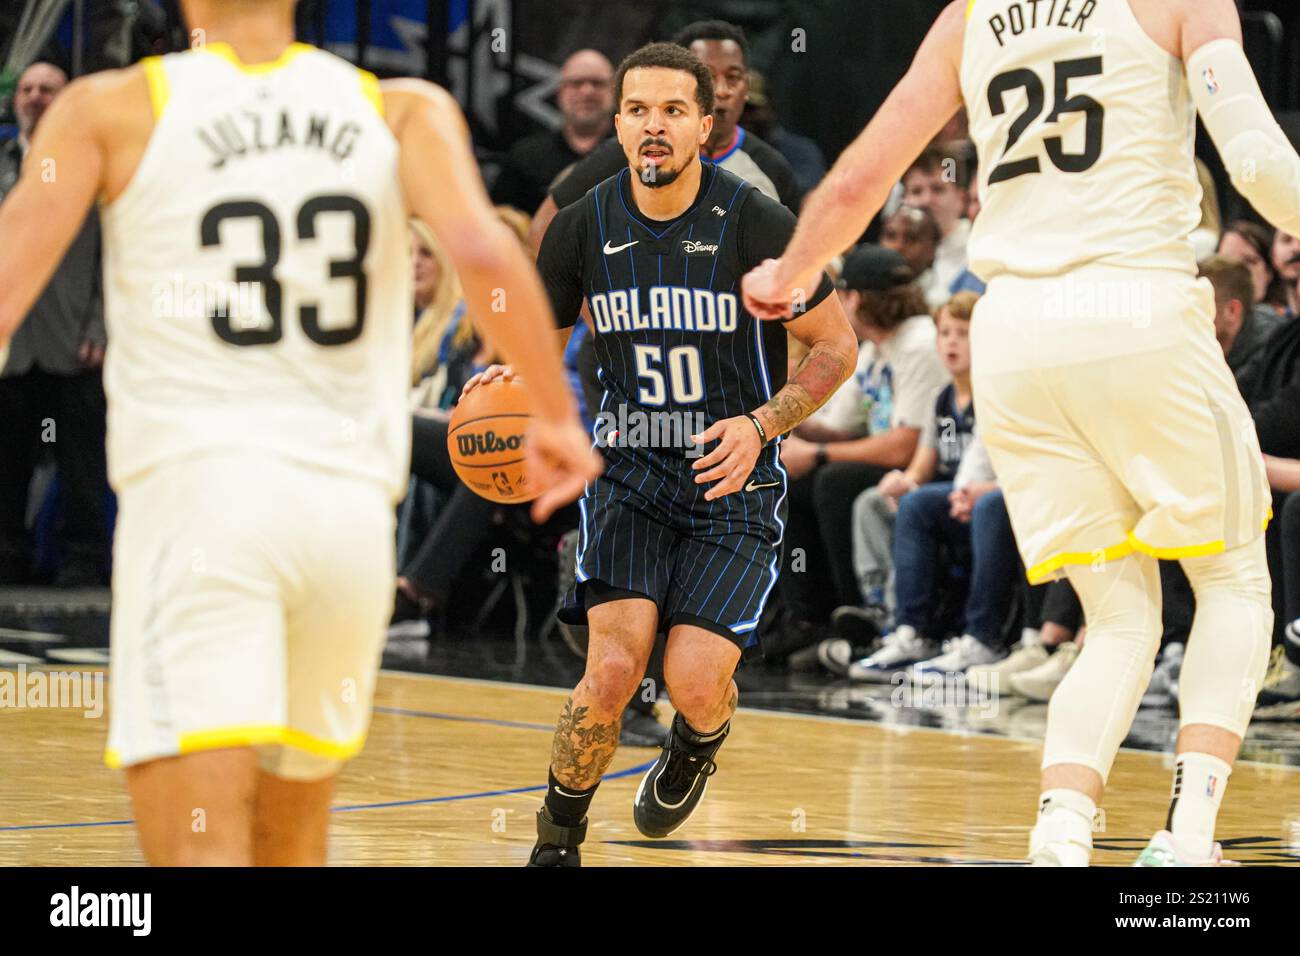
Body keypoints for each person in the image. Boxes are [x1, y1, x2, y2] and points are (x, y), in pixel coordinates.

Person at [0, 0, 599, 866]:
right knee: (292, 844)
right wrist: (555, 414)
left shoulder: (110, 108)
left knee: (200, 851)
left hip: (201, 510)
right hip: (347, 524)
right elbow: (480, 248)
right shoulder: (402, 108)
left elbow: (11, 280)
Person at [744, 0, 1296, 867]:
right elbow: (1259, 161)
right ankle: (1189, 841)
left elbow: (860, 175)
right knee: (1232, 578)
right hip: (1133, 308)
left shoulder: (971, 15)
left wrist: (791, 267)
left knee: (1116, 618)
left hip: (1016, 335)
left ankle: (1061, 834)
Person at [464, 42, 855, 866]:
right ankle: (556, 841)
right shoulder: (580, 226)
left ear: (706, 125)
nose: (654, 126)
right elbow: (544, 338)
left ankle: (695, 743)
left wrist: (761, 424)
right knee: (610, 671)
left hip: (733, 481)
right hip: (629, 473)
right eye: (638, 110)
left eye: (673, 111)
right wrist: (509, 371)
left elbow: (835, 348)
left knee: (695, 682)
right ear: (617, 123)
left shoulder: (756, 223)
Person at [528, 19, 804, 253]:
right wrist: (594, 312)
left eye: (732, 77)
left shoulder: (769, 167)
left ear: (746, 86)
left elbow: (806, 261)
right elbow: (544, 226)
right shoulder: (628, 153)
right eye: (708, 76)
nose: (720, 90)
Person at [0, 61, 109, 586]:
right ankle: (7, 554)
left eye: (48, 90)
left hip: (72, 337)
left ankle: (83, 559)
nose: (36, 97)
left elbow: (112, 255)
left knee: (81, 462)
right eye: (28, 89)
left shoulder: (94, 165)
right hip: (10, 340)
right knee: (6, 457)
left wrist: (100, 326)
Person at [490, 50, 614, 215]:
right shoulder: (524, 157)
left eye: (597, 83)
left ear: (615, 92)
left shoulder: (637, 158)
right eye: (576, 83)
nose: (587, 91)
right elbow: (502, 223)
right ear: (560, 92)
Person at [1198, 255, 1285, 379]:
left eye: (1199, 304)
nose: (1188, 312)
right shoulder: (1197, 345)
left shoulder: (1271, 350)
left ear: (1232, 310)